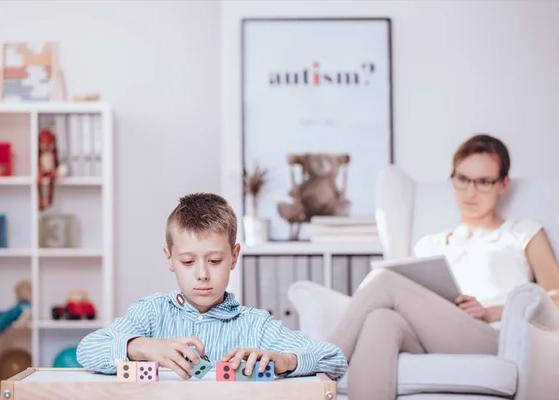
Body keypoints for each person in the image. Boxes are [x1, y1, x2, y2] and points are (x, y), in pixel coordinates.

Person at [326, 134, 559, 400]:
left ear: (503, 184)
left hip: (492, 337)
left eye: (483, 182)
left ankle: (315, 366)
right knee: (381, 319)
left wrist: (490, 312)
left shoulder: (522, 232)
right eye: (462, 179)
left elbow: (556, 296)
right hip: (429, 336)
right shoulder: (430, 243)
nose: (470, 192)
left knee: (383, 280)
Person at [76, 193, 347, 381]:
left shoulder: (255, 326)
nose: (202, 274)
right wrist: (143, 347)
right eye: (188, 261)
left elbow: (334, 359)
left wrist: (284, 361)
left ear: (234, 256)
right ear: (170, 259)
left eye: (215, 260)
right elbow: (87, 351)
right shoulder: (151, 313)